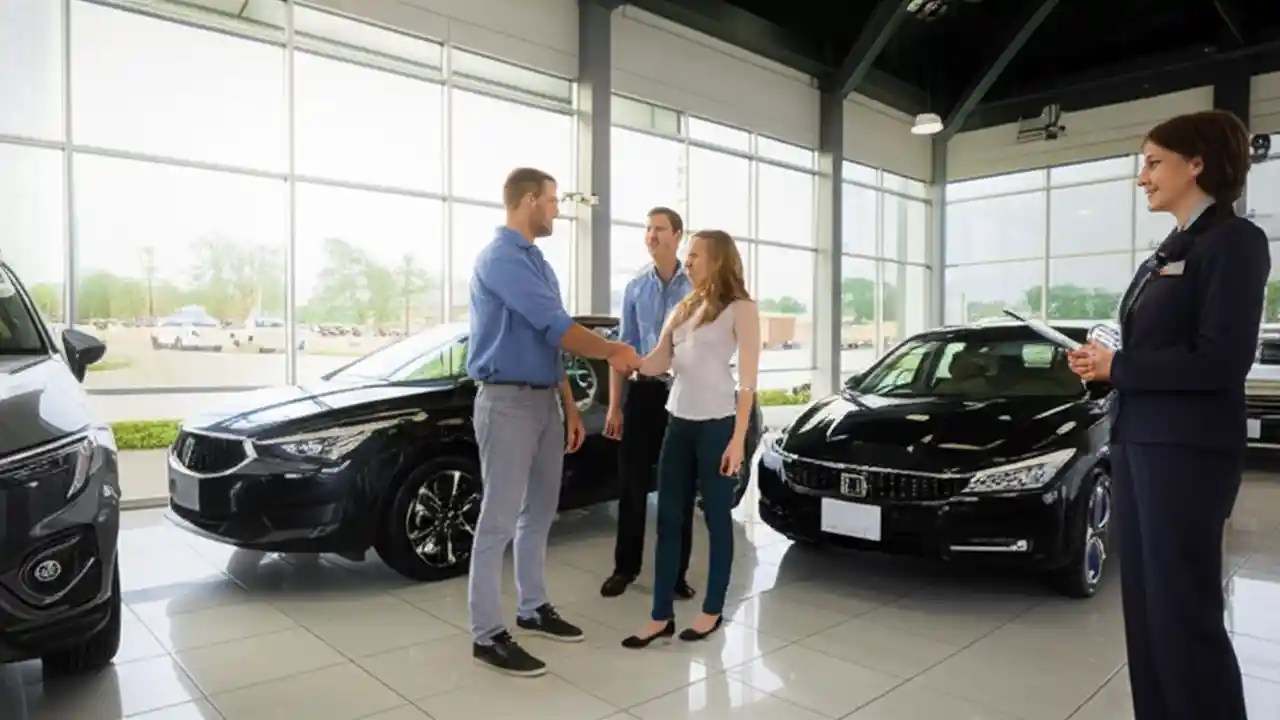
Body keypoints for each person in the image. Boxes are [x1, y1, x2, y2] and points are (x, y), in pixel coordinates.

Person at [1067, 110, 1266, 720]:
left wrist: (1117, 369)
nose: (1141, 177)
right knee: (1147, 613)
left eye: (1153, 162)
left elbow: (1220, 362)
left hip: (1185, 454)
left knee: (1184, 614)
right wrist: (1104, 365)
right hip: (1138, 443)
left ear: (1197, 164)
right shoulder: (1170, 250)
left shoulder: (1235, 242)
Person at [467, 167, 642, 678]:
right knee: (497, 519)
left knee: (540, 511)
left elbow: (552, 341)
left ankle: (532, 608)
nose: (557, 209)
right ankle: (486, 633)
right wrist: (614, 351)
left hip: (543, 400)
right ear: (526, 202)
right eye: (551, 200)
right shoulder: (501, 259)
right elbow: (558, 326)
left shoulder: (538, 261)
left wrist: (568, 405)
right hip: (506, 403)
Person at [620, 229, 760, 648]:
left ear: (717, 259)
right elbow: (657, 363)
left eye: (695, 254)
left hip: (717, 423)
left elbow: (749, 383)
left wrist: (738, 440)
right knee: (668, 519)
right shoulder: (683, 308)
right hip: (677, 423)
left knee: (717, 520)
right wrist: (623, 358)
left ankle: (711, 611)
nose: (689, 261)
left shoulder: (741, 309)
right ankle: (660, 615)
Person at [600, 207, 696, 600]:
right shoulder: (635, 287)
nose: (651, 235)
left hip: (683, 396)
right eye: (648, 228)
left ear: (677, 235)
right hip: (641, 394)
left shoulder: (696, 289)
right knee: (632, 486)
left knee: (679, 489)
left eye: (659, 229)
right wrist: (614, 407)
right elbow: (621, 349)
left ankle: (674, 576)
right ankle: (625, 568)